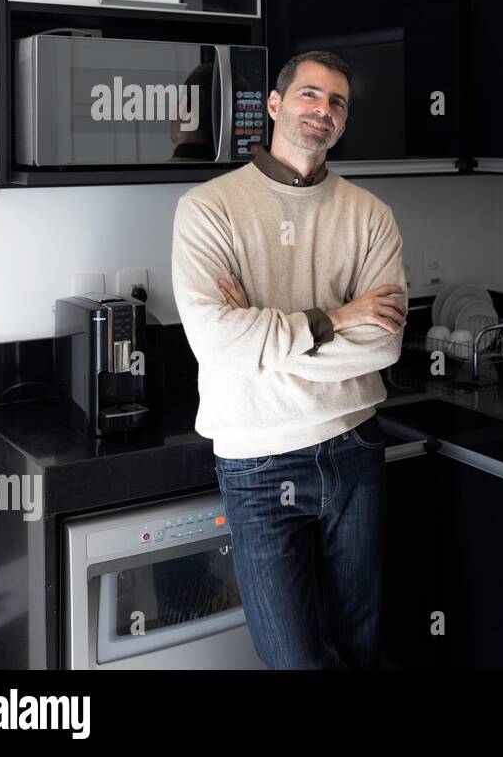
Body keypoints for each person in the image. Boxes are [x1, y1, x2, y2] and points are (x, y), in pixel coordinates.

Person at [170, 49, 406, 669]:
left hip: (353, 444)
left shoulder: (370, 215)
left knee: (360, 647)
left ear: (344, 121)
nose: (322, 110)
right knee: (294, 660)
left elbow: (383, 344)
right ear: (275, 105)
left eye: (336, 102)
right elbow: (217, 343)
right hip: (255, 460)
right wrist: (337, 318)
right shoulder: (208, 209)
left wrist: (263, 340)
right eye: (309, 94)